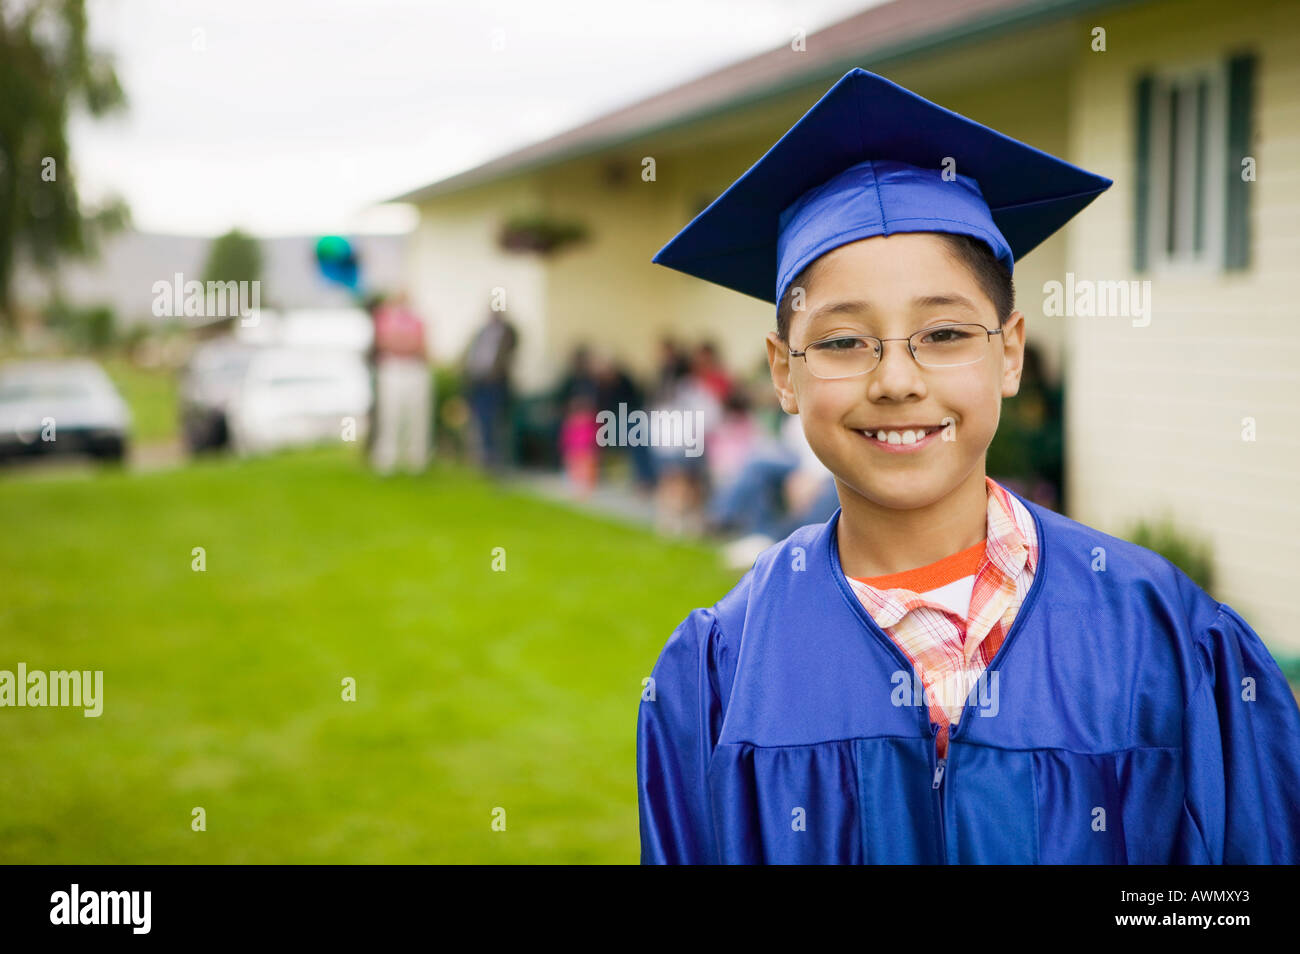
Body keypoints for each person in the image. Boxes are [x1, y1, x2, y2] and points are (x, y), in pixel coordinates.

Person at [636, 68, 1300, 864]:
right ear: (784, 372)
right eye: (844, 342)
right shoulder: (720, 674)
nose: (896, 380)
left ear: (1010, 353)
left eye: (944, 335)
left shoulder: (1169, 640)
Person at [369, 291, 431, 474]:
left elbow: (422, 346)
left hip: (413, 369)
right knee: (390, 414)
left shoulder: (418, 320)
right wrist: (405, 344)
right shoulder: (385, 318)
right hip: (393, 369)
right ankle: (386, 459)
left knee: (416, 416)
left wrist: (405, 344)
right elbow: (385, 343)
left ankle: (416, 460)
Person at [463, 309, 518, 473]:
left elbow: (510, 351)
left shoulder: (508, 332)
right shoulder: (481, 333)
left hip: (496, 383)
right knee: (481, 420)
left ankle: (498, 460)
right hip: (479, 383)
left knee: (496, 420)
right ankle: (486, 459)